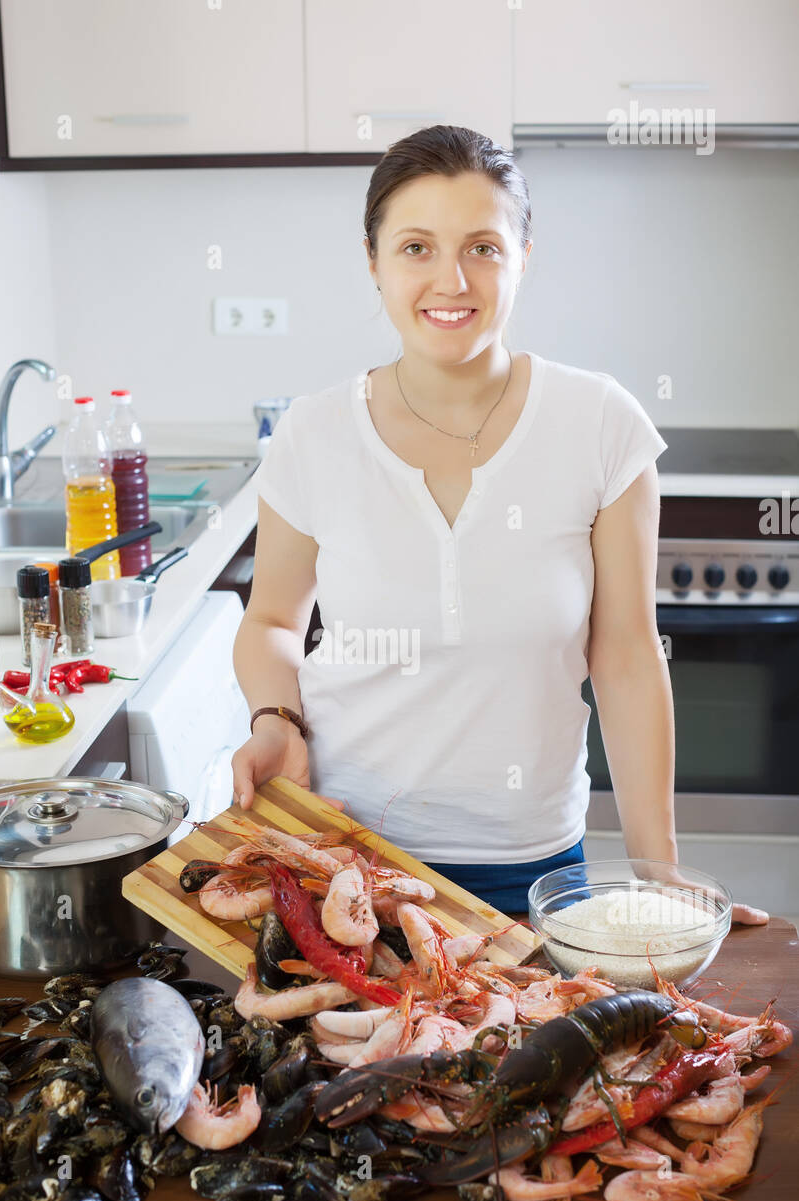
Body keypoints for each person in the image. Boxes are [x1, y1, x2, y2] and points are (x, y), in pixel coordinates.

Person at [231, 123, 767, 928]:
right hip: (344, 861)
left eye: (483, 246)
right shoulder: (313, 434)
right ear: (373, 261)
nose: (452, 279)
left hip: (536, 871)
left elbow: (624, 654)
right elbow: (272, 620)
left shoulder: (601, 425)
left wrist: (659, 872)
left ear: (523, 256)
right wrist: (275, 717)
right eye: (416, 247)